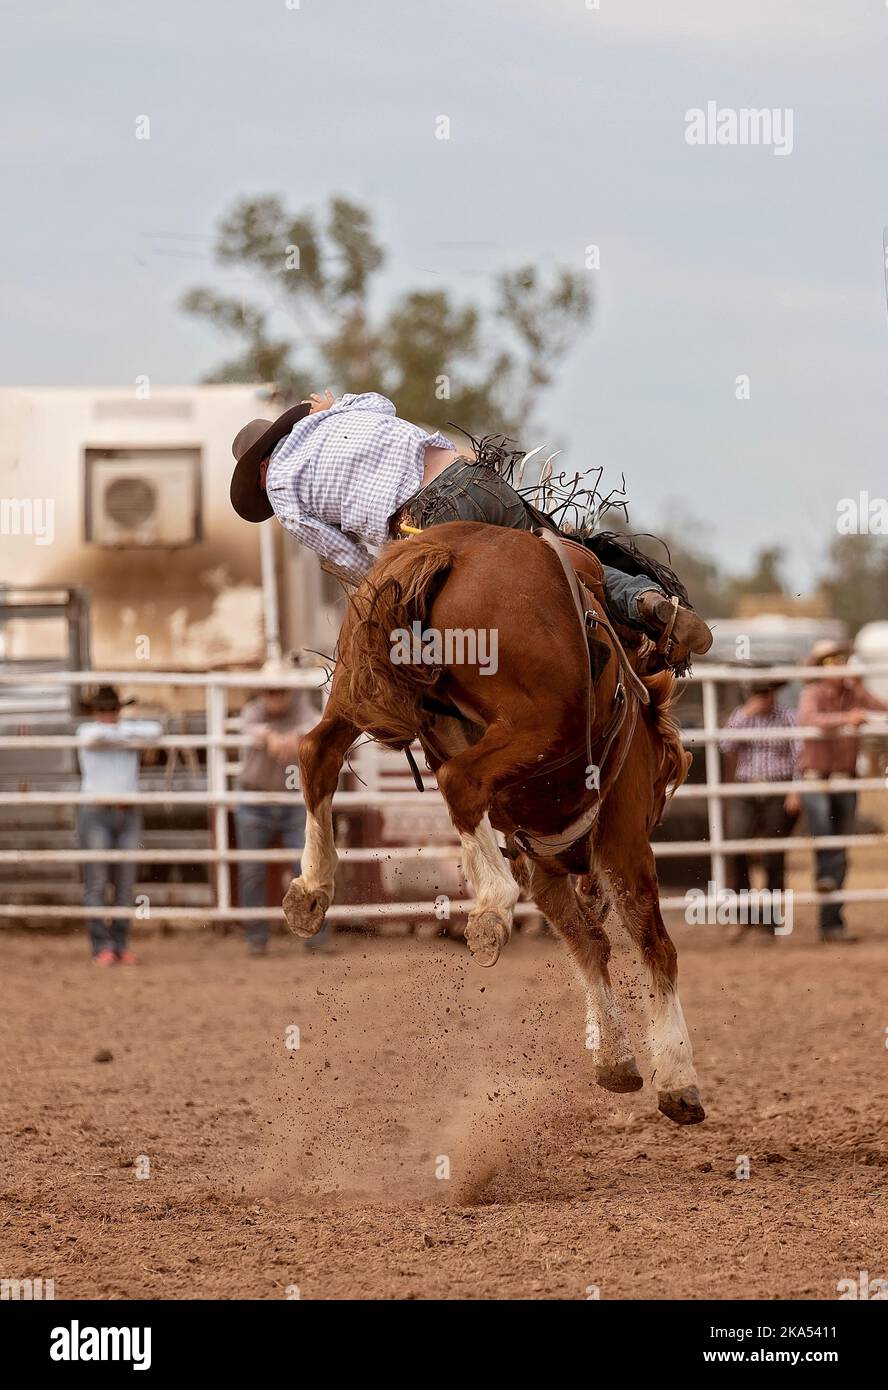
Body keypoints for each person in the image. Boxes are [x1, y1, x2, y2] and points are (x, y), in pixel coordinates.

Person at [228, 391, 713, 663]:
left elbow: (345, 556)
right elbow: (384, 403)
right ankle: (644, 601)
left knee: (422, 648)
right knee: (555, 556)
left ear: (262, 467)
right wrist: (333, 405)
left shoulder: (283, 492)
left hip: (424, 523)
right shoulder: (337, 416)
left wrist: (383, 581)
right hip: (472, 475)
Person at [797, 639, 888, 942]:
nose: (838, 664)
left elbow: (882, 707)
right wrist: (846, 719)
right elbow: (809, 720)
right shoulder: (813, 692)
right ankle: (830, 913)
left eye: (840, 659)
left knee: (839, 843)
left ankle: (831, 922)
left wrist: (859, 693)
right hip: (817, 775)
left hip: (844, 776)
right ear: (821, 668)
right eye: (831, 660)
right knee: (826, 834)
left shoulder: (854, 692)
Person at [234, 657, 320, 956]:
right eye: (270, 691)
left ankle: (314, 935)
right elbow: (248, 728)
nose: (275, 696)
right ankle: (256, 938)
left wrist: (293, 737)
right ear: (261, 692)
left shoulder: (300, 710)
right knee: (251, 872)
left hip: (291, 801)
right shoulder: (253, 712)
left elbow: (315, 725)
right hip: (255, 799)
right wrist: (270, 736)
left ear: (290, 692)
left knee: (307, 868)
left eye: (281, 690)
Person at [75, 685, 163, 966]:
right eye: (103, 709)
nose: (108, 714)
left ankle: (118, 943)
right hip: (98, 810)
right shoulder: (88, 732)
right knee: (98, 883)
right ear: (95, 712)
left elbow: (156, 732)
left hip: (125, 812)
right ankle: (103, 945)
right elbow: (92, 738)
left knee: (125, 884)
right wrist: (125, 736)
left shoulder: (120, 731)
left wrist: (119, 735)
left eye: (111, 709)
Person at [719, 676, 800, 938]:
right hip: (747, 787)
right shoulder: (742, 716)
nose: (765, 697)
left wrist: (794, 789)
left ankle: (770, 920)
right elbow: (725, 744)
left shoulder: (787, 716)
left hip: (778, 787)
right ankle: (744, 915)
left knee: (774, 854)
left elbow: (799, 754)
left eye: (768, 692)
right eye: (760, 693)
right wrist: (745, 714)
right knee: (736, 845)